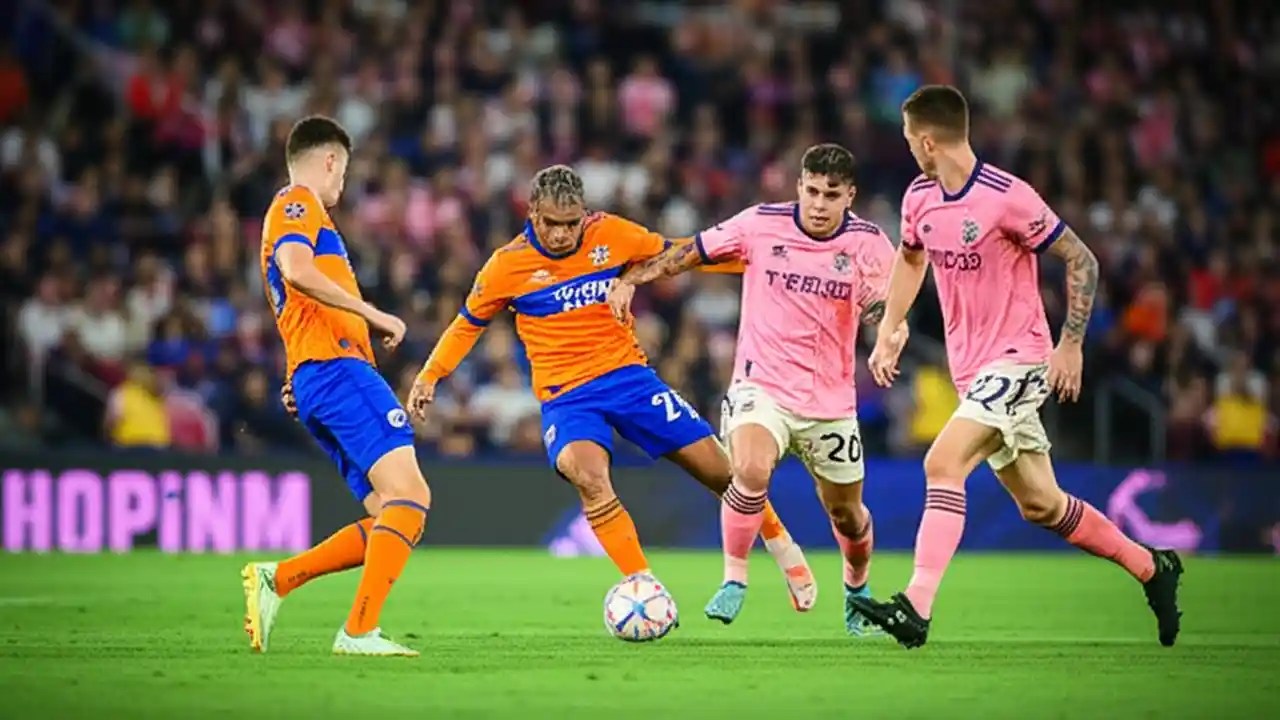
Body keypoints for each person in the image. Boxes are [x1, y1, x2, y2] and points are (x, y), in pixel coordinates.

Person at [851, 85, 1183, 649]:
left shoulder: (1008, 197)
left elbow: (1081, 258)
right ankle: (1154, 568)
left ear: (928, 141)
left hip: (1021, 359)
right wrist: (888, 330)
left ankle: (916, 608)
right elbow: (910, 261)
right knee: (1041, 504)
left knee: (943, 461)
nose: (909, 149)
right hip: (972, 372)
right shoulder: (919, 198)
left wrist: (1070, 344)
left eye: (910, 139)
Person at [408, 165, 817, 612]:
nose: (563, 234)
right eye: (552, 224)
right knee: (588, 476)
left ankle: (787, 555)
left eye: (572, 223)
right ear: (532, 214)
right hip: (568, 399)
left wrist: (757, 263)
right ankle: (644, 586)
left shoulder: (614, 235)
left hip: (630, 381)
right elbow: (468, 325)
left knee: (725, 475)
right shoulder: (507, 266)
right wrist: (430, 376)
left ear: (585, 214)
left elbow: (676, 253)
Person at [607, 144, 905, 634]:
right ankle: (735, 579)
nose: (819, 203)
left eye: (832, 195)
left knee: (848, 515)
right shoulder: (760, 224)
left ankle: (857, 587)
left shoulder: (870, 244)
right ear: (798, 187)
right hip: (761, 384)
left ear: (850, 196)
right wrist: (636, 277)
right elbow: (692, 252)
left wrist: (888, 337)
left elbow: (882, 308)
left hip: (830, 402)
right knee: (747, 468)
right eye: (811, 191)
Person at [241, 115, 430, 657]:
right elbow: (296, 271)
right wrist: (373, 313)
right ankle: (358, 631)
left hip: (318, 376)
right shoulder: (298, 203)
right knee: (412, 495)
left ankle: (279, 579)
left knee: (391, 513)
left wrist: (296, 375)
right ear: (329, 161)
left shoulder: (293, 212)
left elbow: (293, 302)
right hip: (339, 371)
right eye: (342, 174)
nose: (341, 186)